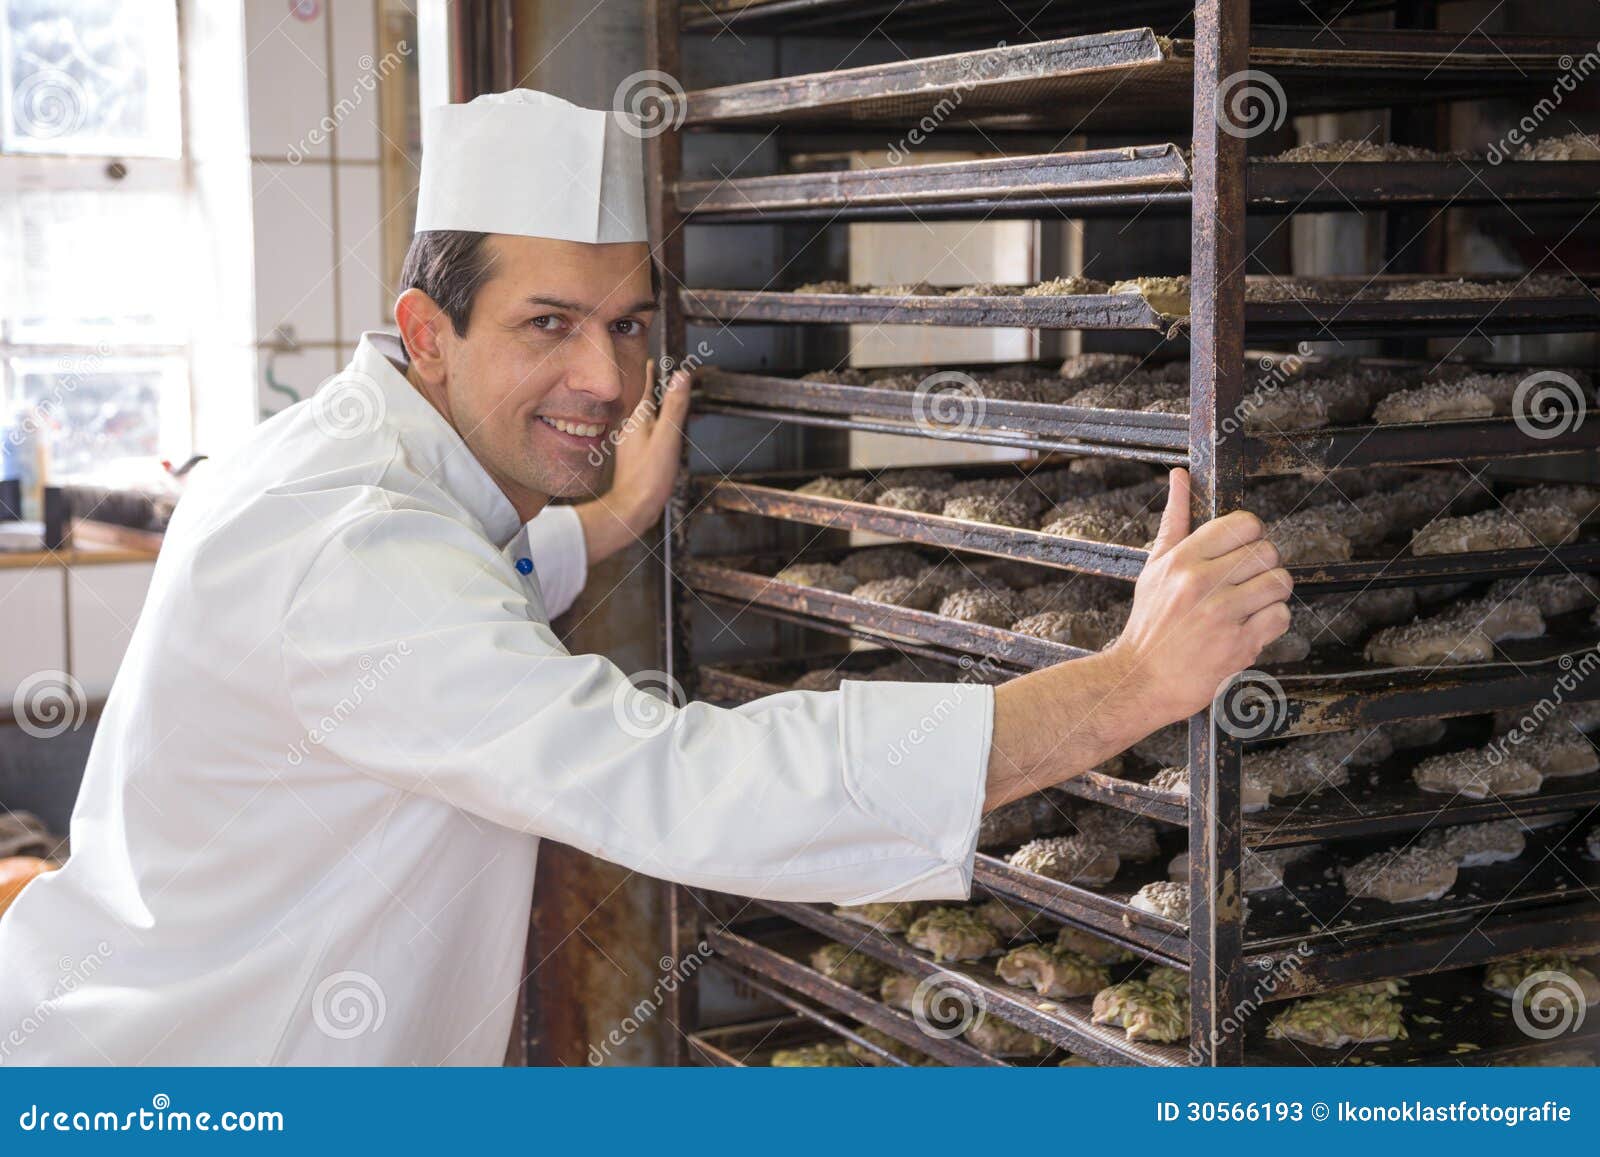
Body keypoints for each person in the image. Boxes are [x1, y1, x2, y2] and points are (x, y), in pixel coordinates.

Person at [0, 91, 1290, 1065]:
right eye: (547, 325)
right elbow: (682, 788)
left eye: (625, 325)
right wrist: (1130, 686)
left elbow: (446, 629)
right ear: (424, 332)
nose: (611, 383)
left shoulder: (345, 462)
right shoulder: (352, 549)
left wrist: (599, 525)